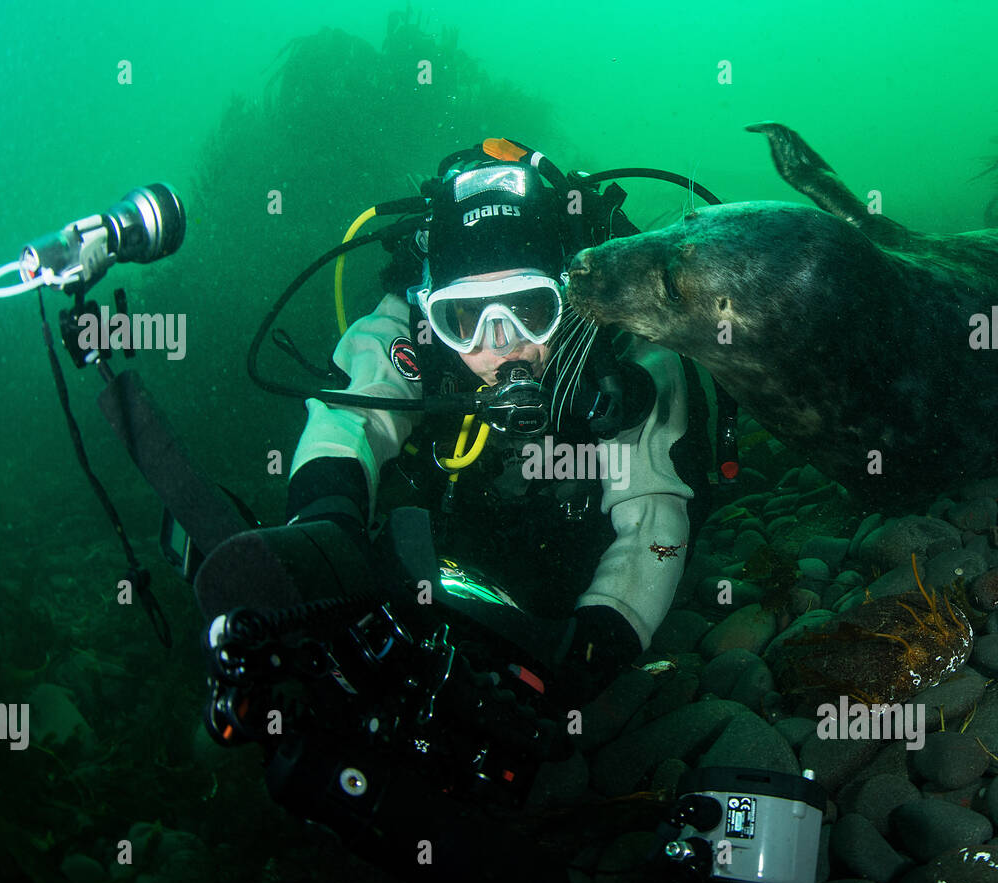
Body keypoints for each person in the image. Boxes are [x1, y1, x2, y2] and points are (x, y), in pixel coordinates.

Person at [284, 148, 712, 696]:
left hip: (580, 546)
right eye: (464, 318)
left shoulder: (619, 339)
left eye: (530, 309)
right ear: (428, 306)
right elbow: (349, 419)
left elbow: (655, 504)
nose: (503, 343)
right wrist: (323, 533)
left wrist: (597, 644)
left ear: (570, 294)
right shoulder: (402, 329)